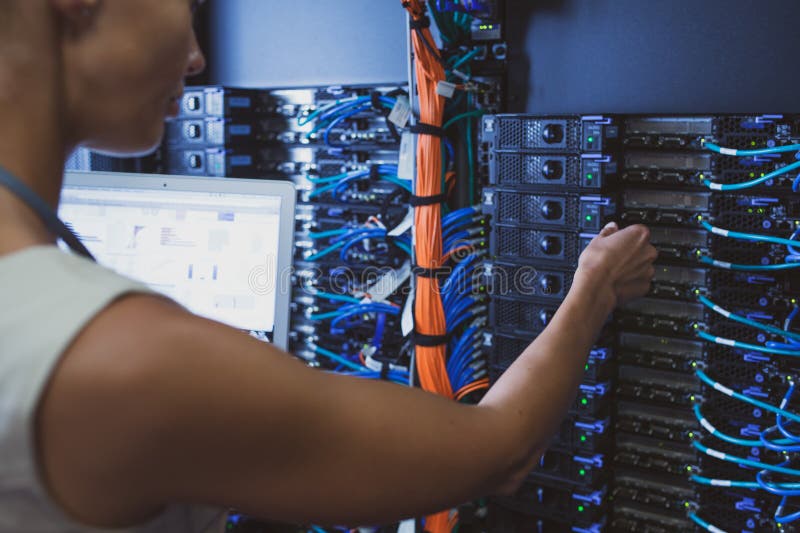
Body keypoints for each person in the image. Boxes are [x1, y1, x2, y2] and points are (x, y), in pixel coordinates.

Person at [0, 0, 658, 531]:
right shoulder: (119, 356)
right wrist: (593, 286)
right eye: (189, 5)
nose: (198, 57)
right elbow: (498, 449)